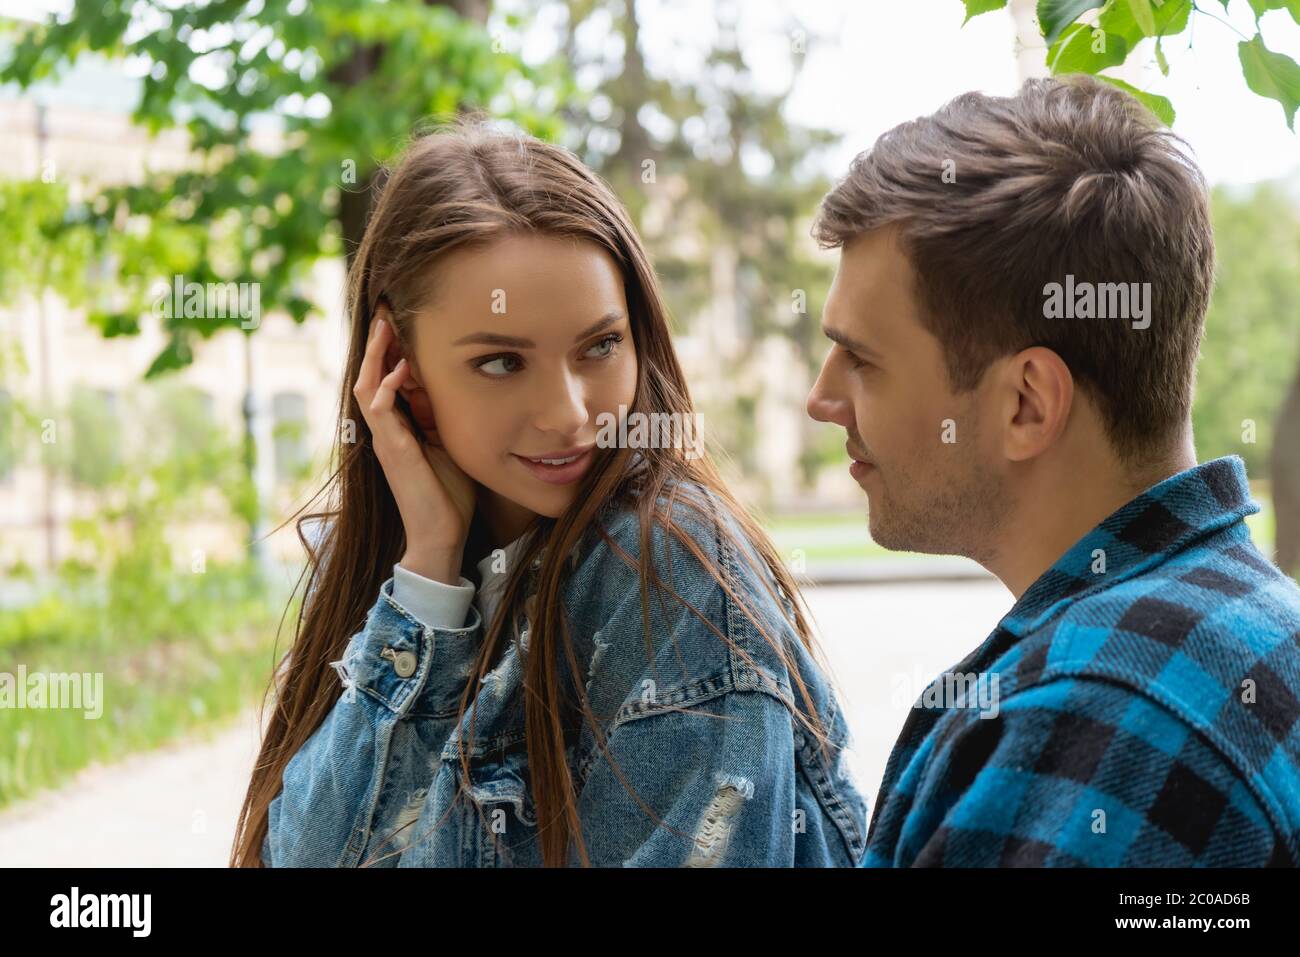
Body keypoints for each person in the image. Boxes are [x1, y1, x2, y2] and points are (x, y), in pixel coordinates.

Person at [231, 118, 868, 868]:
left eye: (599, 346)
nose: (571, 413)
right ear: (399, 365)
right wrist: (429, 577)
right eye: (502, 362)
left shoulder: (668, 565)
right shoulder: (386, 561)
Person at [805, 75, 1300, 867]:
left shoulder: (1095, 722)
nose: (820, 399)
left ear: (1027, 404)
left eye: (862, 360)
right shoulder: (1260, 624)